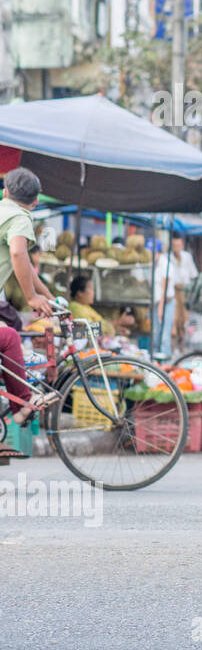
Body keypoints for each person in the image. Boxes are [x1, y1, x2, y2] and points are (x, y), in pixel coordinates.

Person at [0, 169, 58, 449]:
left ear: (5, 192)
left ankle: (17, 401)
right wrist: (32, 298)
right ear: (35, 202)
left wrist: (47, 297)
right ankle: (22, 404)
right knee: (9, 337)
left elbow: (25, 265)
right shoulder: (20, 217)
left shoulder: (3, 209)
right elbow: (17, 253)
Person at [68, 275, 135, 336]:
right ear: (79, 293)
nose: (93, 293)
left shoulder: (85, 306)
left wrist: (116, 330)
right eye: (91, 289)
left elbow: (101, 324)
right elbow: (85, 331)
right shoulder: (75, 308)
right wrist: (118, 322)